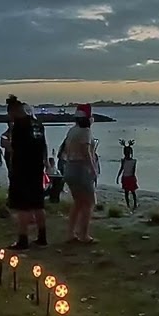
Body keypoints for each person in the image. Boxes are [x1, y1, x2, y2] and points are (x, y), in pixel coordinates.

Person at [5, 96, 48, 249]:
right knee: (38, 203)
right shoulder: (37, 124)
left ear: (15, 112)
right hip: (37, 168)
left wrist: (7, 145)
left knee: (22, 206)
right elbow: (44, 145)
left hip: (22, 169)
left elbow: (16, 149)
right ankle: (42, 236)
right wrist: (45, 163)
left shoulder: (19, 127)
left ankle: (23, 239)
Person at [61, 103, 97, 243]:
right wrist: (93, 169)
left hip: (69, 167)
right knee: (89, 202)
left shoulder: (72, 131)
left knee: (78, 202)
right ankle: (84, 235)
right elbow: (86, 152)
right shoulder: (85, 132)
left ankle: (70, 233)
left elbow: (65, 149)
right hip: (81, 169)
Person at [117, 142, 139, 211]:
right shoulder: (133, 161)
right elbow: (133, 171)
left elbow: (121, 169)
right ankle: (134, 204)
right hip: (130, 177)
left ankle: (129, 205)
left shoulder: (124, 161)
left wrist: (118, 177)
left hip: (126, 177)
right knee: (132, 192)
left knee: (127, 192)